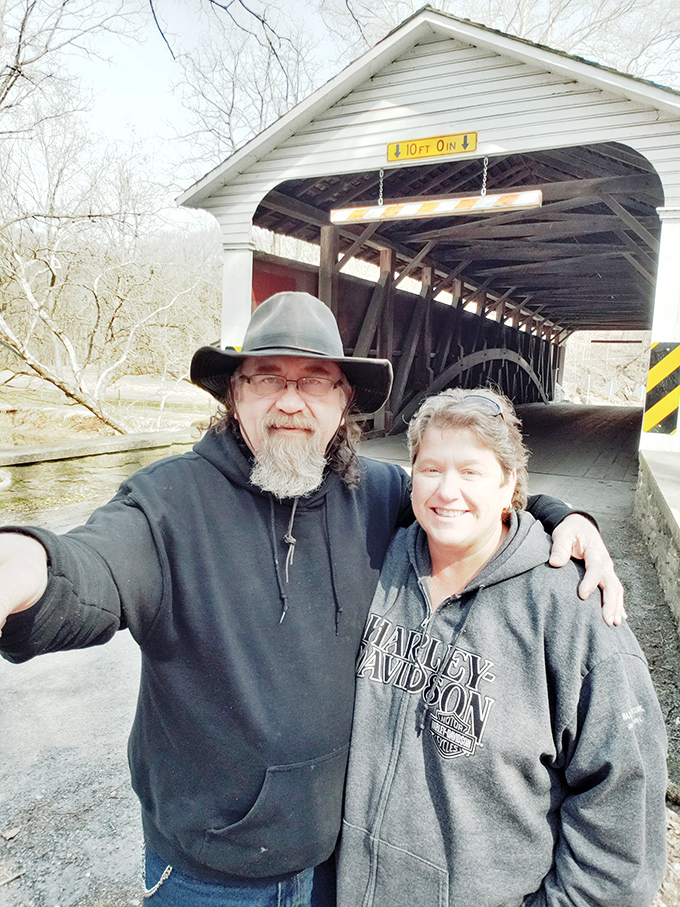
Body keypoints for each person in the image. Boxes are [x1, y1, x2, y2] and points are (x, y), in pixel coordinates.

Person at [0, 293, 623, 907]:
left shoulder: (377, 493)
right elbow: (89, 565)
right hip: (210, 874)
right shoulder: (167, 503)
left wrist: (560, 515)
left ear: (343, 402)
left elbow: (461, 498)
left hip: (337, 863)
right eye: (267, 377)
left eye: (316, 382)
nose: (291, 401)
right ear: (234, 396)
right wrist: (20, 566)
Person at [336, 387, 666, 907]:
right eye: (430, 469)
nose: (447, 491)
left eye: (471, 472)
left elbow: (622, 806)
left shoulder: (574, 609)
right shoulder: (382, 560)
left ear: (509, 481)